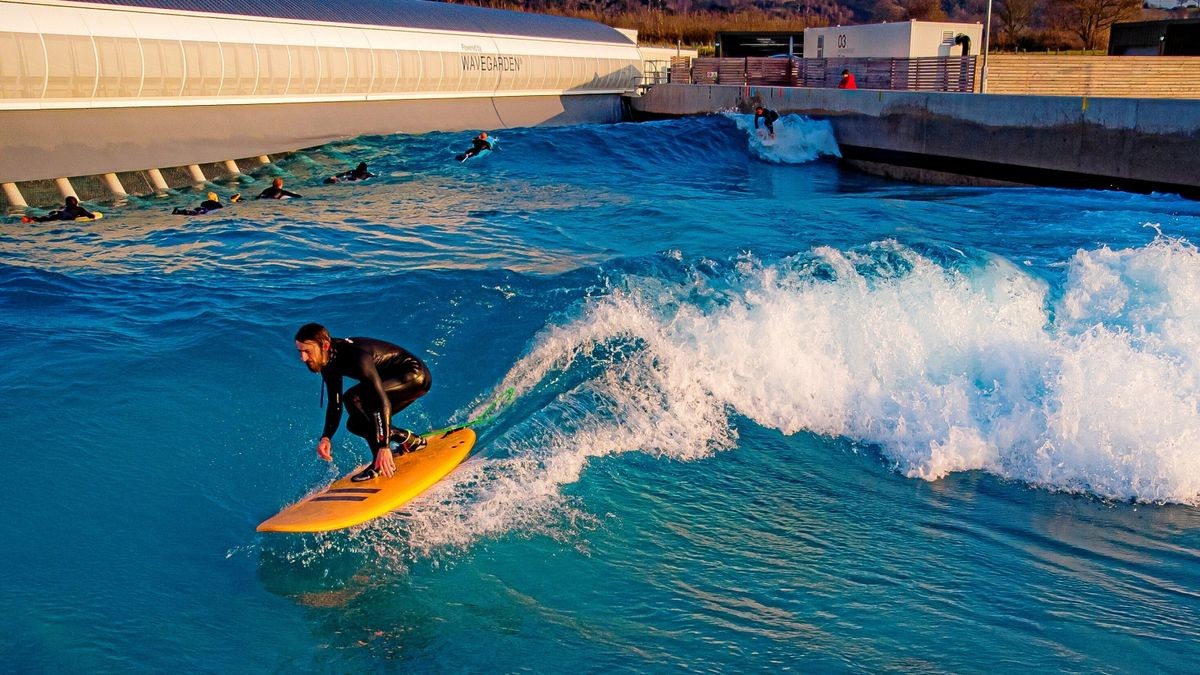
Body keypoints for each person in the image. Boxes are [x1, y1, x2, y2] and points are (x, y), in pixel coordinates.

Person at [294, 323, 432, 482]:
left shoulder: (356, 357)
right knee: (355, 424)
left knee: (354, 398)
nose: (303, 358)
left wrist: (384, 446)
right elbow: (335, 403)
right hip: (391, 381)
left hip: (414, 376)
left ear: (324, 345)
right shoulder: (326, 361)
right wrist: (326, 437)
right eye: (300, 351)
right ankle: (409, 439)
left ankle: (378, 463)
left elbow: (381, 401)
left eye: (307, 351)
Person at [22, 195, 94, 222]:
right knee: (49, 219)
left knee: (46, 218)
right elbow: (90, 215)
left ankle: (31, 219)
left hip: (56, 212)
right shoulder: (79, 208)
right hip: (64, 216)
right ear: (76, 202)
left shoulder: (64, 207)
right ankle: (32, 220)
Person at [172, 191, 238, 216]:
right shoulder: (218, 204)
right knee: (196, 213)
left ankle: (179, 211)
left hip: (200, 208)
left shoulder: (203, 202)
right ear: (215, 198)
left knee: (194, 211)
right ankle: (180, 212)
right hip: (205, 211)